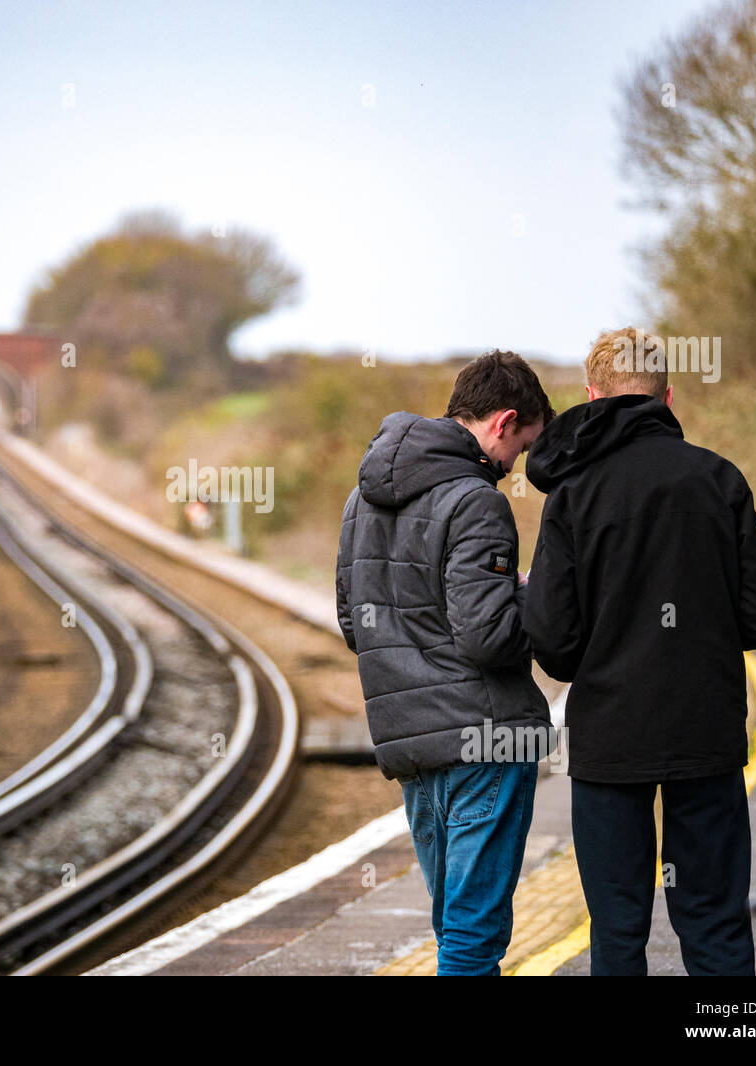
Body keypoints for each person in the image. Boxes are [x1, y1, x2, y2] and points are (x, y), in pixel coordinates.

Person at [523, 327, 756, 976]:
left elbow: (554, 646)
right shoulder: (718, 479)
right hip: (707, 734)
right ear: (669, 396)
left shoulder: (572, 496)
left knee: (615, 930)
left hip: (610, 741)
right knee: (717, 922)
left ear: (591, 397)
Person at [335, 349, 556, 975]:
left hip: (412, 742)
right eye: (524, 445)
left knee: (452, 927)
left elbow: (356, 624)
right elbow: (487, 637)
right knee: (472, 936)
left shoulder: (361, 500)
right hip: (484, 738)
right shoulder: (476, 502)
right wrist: (526, 598)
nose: (517, 465)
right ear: (502, 422)